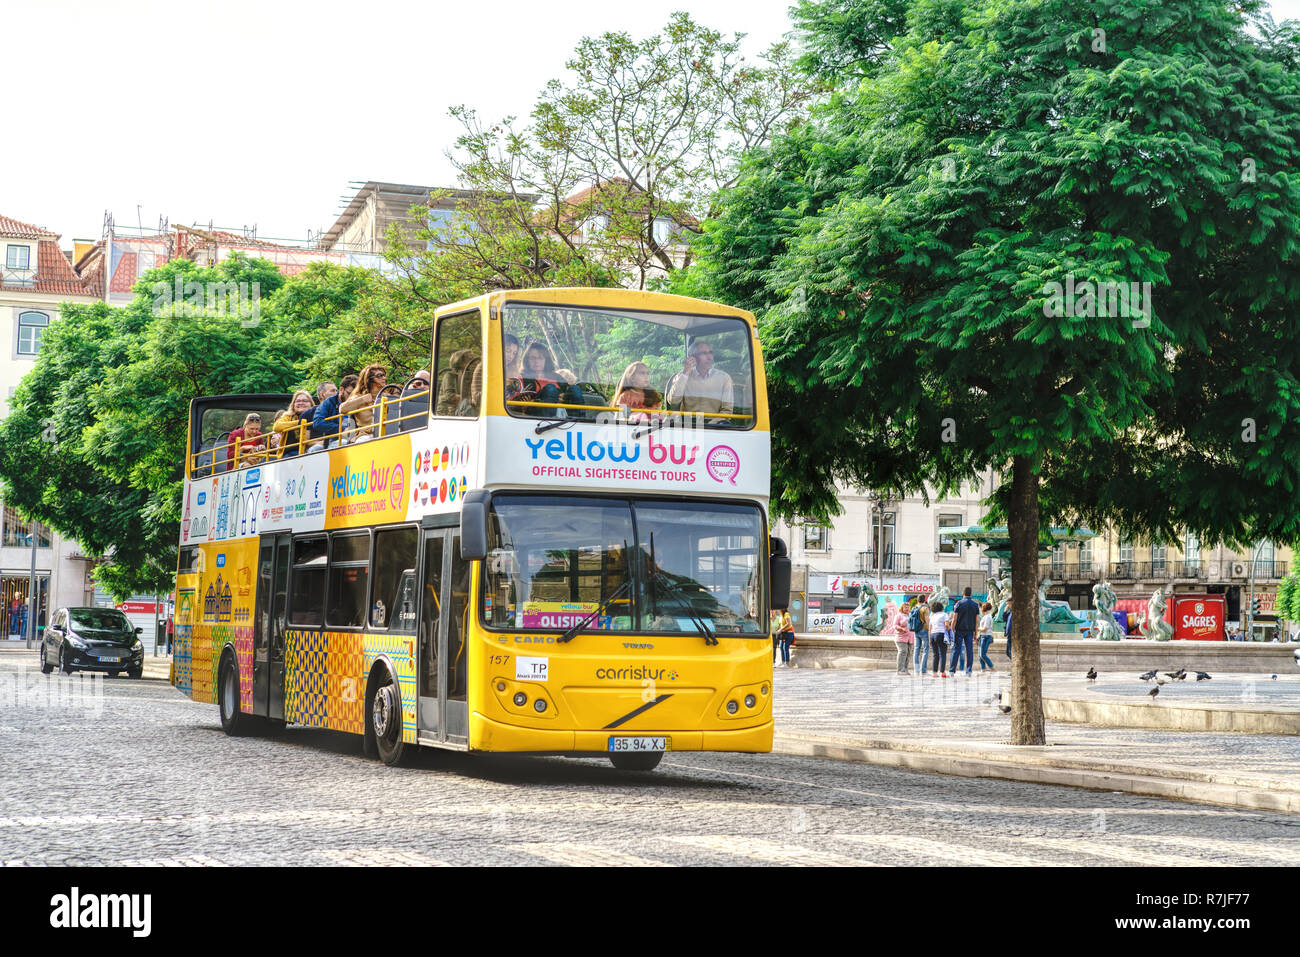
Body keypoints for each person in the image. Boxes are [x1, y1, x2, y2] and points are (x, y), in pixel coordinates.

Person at [665, 340, 734, 421]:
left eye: (710, 353)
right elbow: (673, 401)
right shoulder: (682, 376)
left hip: (714, 426)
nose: (709, 357)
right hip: (688, 425)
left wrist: (712, 425)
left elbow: (727, 412)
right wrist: (685, 373)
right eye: (704, 353)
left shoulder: (724, 378)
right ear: (692, 357)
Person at [519, 342, 583, 415]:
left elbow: (568, 394)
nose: (536, 361)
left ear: (546, 360)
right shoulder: (522, 378)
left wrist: (563, 397)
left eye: (540, 358)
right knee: (551, 389)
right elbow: (513, 404)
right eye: (533, 358)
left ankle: (580, 422)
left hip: (563, 415)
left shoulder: (556, 377)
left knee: (575, 389)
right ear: (527, 360)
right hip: (536, 415)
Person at [340, 364, 389, 442]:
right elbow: (342, 409)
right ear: (369, 380)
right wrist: (362, 400)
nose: (384, 378)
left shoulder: (387, 397)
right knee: (363, 441)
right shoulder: (359, 397)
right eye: (379, 375)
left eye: (384, 375)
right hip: (366, 435)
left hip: (387, 432)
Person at [311, 374, 358, 449]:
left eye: (354, 394)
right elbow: (317, 422)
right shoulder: (328, 402)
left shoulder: (357, 401)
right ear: (341, 389)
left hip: (356, 437)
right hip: (335, 440)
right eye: (349, 393)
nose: (351, 397)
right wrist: (342, 429)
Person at [273, 390, 315, 458]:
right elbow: (276, 427)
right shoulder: (288, 416)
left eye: (304, 401)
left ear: (311, 404)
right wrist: (299, 422)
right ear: (293, 404)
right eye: (298, 401)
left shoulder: (316, 415)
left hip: (312, 449)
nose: (301, 403)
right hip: (291, 452)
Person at [952, 586, 980, 677]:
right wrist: (976, 633)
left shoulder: (959, 603)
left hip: (959, 630)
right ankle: (969, 670)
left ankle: (952, 670)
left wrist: (952, 630)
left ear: (963, 593)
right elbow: (976, 621)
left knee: (956, 650)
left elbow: (954, 618)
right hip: (970, 631)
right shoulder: (975, 605)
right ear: (971, 594)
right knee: (969, 651)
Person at [885, 600, 912, 675]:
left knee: (908, 653)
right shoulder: (899, 615)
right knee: (903, 651)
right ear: (902, 608)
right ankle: (900, 669)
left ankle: (905, 669)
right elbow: (894, 625)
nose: (907, 609)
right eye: (905, 607)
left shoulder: (910, 615)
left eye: (908, 607)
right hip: (901, 637)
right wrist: (901, 628)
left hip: (910, 637)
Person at [928, 599, 950, 677]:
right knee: (942, 654)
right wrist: (949, 631)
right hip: (941, 634)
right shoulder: (944, 614)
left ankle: (934, 672)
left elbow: (930, 628)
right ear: (941, 607)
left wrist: (929, 639)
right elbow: (946, 625)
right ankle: (942, 672)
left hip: (933, 634)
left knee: (935, 654)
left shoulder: (932, 616)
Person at [910, 598, 930, 675]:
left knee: (916, 649)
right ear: (924, 600)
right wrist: (929, 630)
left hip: (916, 630)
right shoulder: (925, 608)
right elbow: (927, 620)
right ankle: (923, 669)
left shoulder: (914, 607)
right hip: (924, 630)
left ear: (918, 600)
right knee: (925, 650)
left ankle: (916, 669)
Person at [977, 601, 995, 672]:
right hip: (983, 636)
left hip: (986, 636)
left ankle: (992, 667)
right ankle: (983, 669)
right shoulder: (986, 616)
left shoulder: (988, 617)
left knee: (982, 654)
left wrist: (976, 628)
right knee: (980, 654)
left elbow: (985, 629)